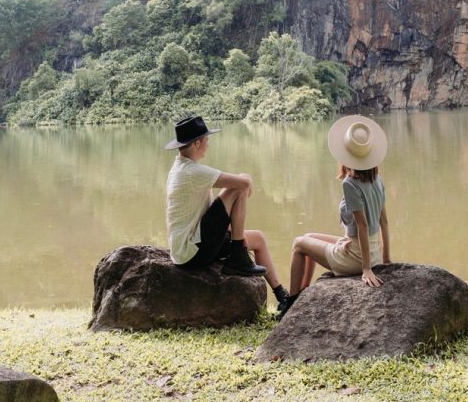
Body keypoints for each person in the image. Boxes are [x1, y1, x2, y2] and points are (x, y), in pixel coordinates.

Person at [164, 115, 289, 309]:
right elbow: (243, 183)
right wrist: (246, 180)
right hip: (192, 251)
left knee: (258, 239)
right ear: (197, 143)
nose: (208, 144)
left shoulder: (181, 167)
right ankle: (238, 253)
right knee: (238, 186)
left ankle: (282, 296)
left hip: (190, 247)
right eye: (206, 140)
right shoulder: (191, 172)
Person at [278, 114, 390, 320]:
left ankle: (291, 302)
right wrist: (385, 259)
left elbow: (363, 226)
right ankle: (303, 293)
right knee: (309, 235)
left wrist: (365, 268)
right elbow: (383, 222)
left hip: (356, 258)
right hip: (370, 251)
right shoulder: (377, 179)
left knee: (299, 244)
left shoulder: (351, 183)